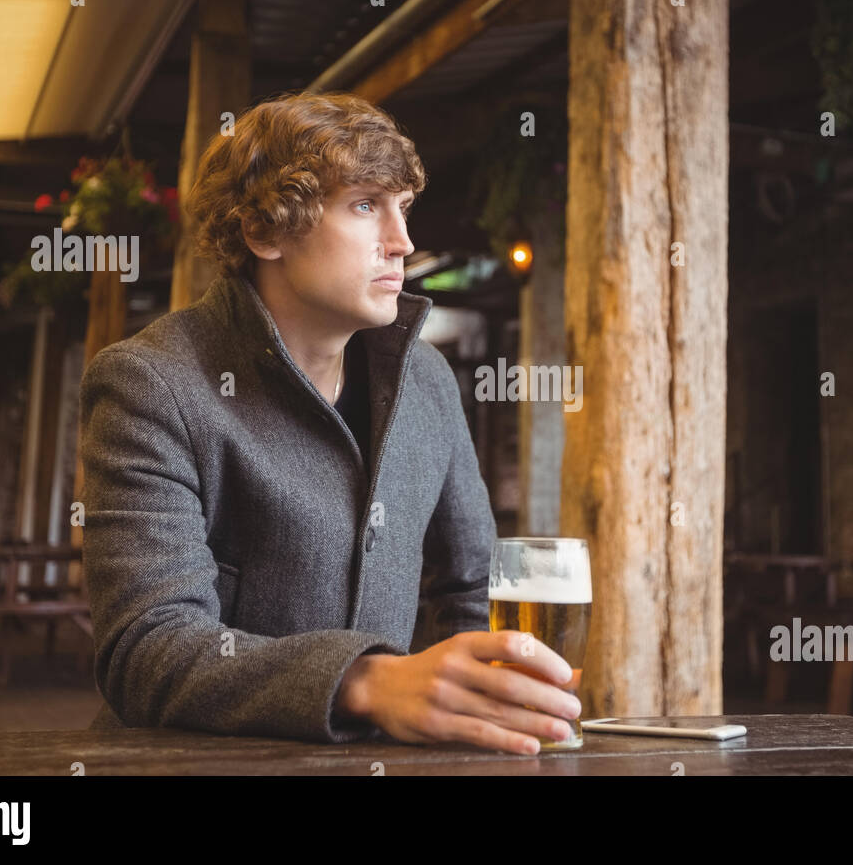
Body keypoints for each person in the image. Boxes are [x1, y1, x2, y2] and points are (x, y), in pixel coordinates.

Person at [78, 91, 579, 755]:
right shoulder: (151, 383)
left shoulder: (426, 379)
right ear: (264, 232)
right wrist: (366, 681)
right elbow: (145, 649)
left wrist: (493, 715)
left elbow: (471, 594)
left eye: (402, 207)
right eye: (365, 205)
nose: (402, 241)